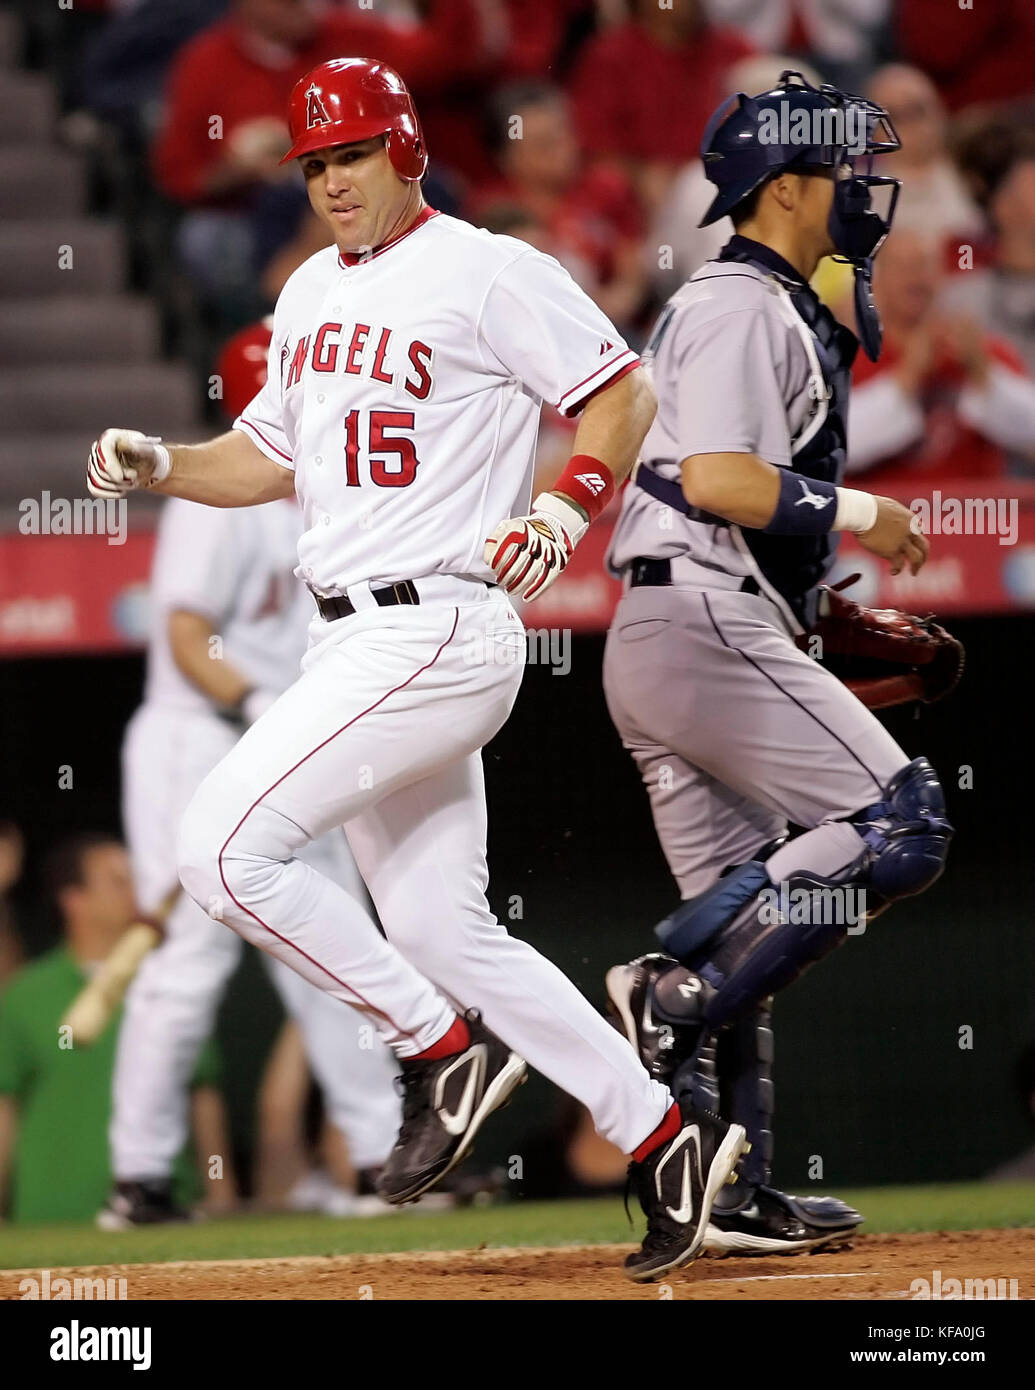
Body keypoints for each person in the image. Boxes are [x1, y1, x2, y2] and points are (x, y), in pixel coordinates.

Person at [85, 55, 750, 1283]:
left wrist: (563, 513)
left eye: (351, 152)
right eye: (316, 161)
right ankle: (657, 1131)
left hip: (438, 623)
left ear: (406, 149)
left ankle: (439, 1051)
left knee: (220, 850)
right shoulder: (300, 296)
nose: (333, 179)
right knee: (447, 929)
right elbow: (265, 459)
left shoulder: (490, 267)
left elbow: (622, 394)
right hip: (352, 637)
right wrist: (163, 464)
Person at [601, 73, 953, 1255]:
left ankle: (716, 1186)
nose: (861, 190)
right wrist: (865, 515)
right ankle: (669, 990)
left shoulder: (767, 303)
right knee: (905, 823)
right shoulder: (744, 302)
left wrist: (823, 616)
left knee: (750, 944)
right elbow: (719, 482)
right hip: (698, 625)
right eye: (843, 171)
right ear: (790, 187)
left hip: (681, 626)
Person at [96, 322, 402, 1228]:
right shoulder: (211, 496)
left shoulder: (328, 494)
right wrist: (273, 707)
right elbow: (188, 640)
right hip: (200, 736)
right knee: (188, 958)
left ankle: (384, 1159)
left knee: (332, 942)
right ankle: (140, 1177)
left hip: (281, 734)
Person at [0, 834, 229, 1223]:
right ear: (74, 899)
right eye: (118, 880)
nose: (137, 890)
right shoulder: (24, 997)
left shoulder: (172, 988)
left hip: (166, 1216)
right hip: (52, 1220)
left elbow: (202, 1099)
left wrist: (223, 1192)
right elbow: (5, 1111)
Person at [848, 228, 1035, 484]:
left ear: (942, 278)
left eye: (925, 265)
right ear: (874, 284)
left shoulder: (984, 352)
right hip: (885, 518)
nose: (917, 277)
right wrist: (909, 376)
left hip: (979, 517)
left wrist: (983, 375)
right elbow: (841, 447)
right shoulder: (848, 357)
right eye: (903, 267)